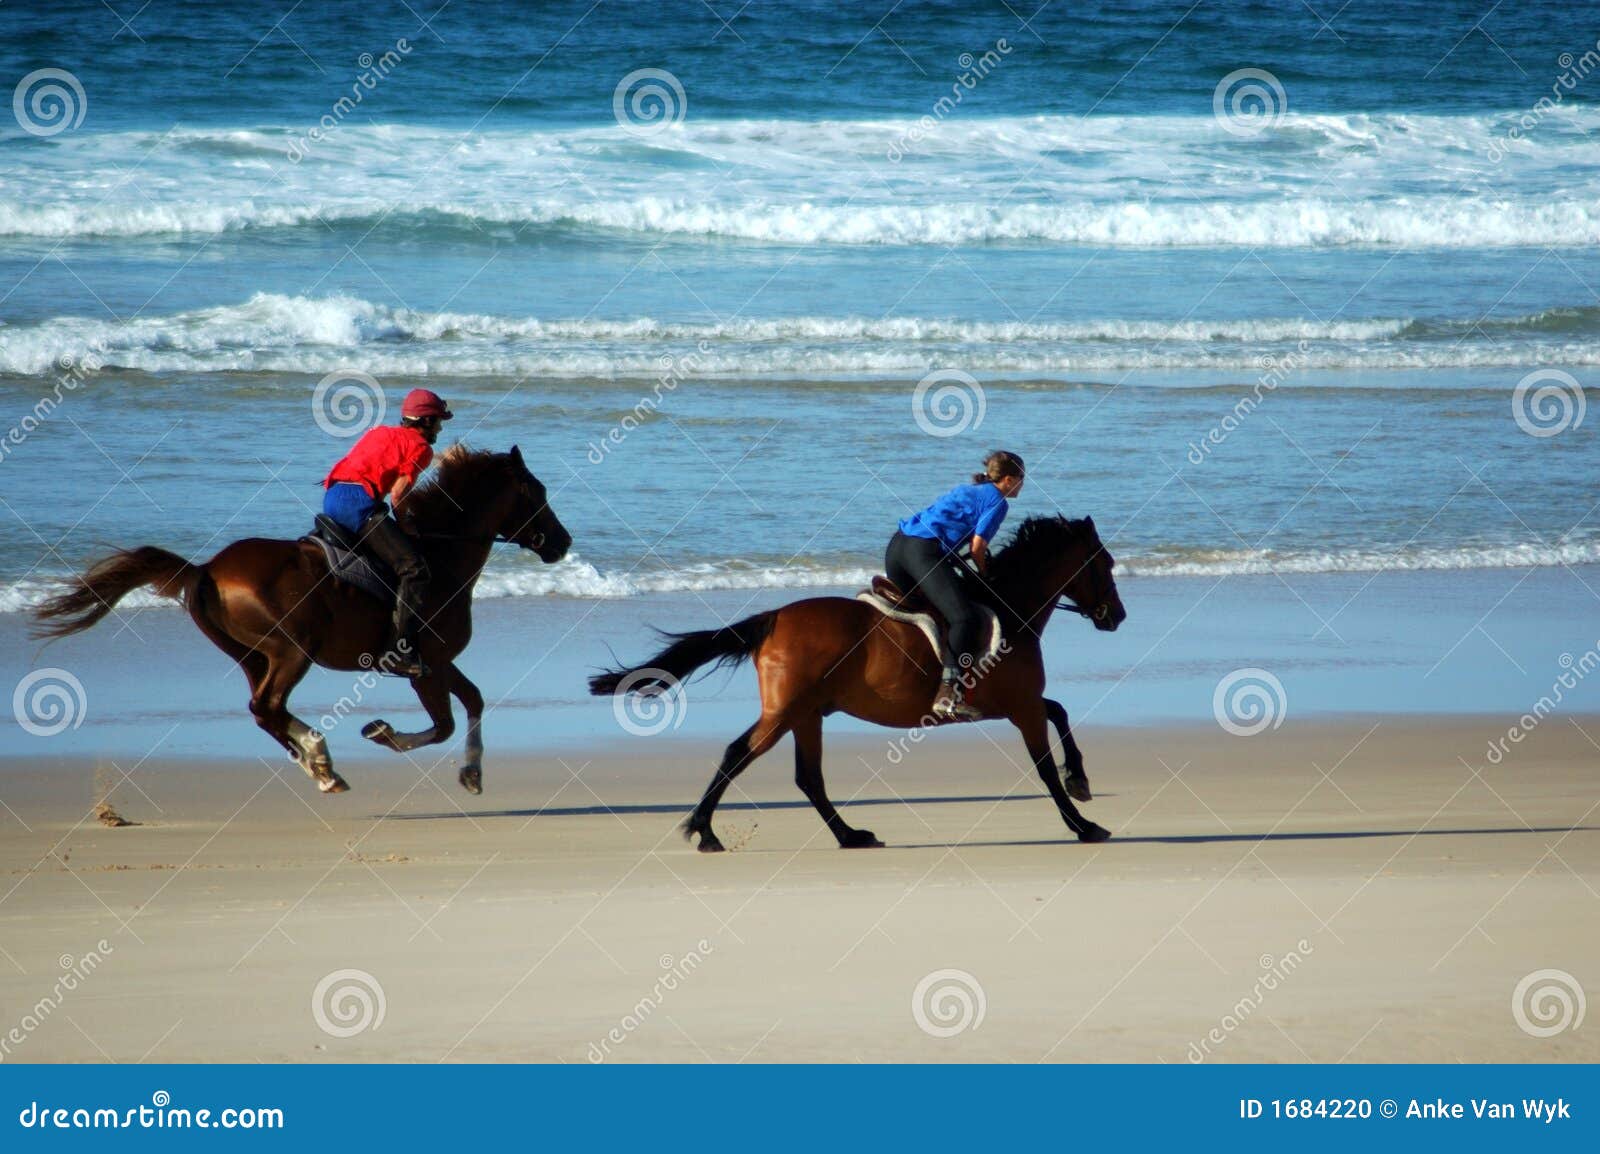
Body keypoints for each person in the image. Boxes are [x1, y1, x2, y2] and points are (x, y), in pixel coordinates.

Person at [321, 388, 453, 678]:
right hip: (358, 505)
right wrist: (408, 528)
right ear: (427, 421)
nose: (440, 428)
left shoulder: (379, 432)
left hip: (332, 497)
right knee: (414, 569)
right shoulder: (421, 447)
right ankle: (400, 651)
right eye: (439, 421)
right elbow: (398, 495)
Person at [886, 450, 1025, 722]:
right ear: (1008, 480)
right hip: (922, 553)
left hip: (897, 549)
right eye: (1022, 478)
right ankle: (947, 693)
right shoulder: (998, 502)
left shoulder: (971, 489)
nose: (1023, 484)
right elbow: (977, 548)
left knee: (935, 606)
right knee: (964, 618)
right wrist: (986, 575)